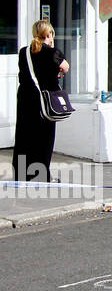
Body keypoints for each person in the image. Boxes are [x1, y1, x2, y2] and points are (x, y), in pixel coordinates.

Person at [12, 20, 69, 182]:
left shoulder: (24, 52)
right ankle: (42, 174)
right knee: (44, 136)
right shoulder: (52, 52)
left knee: (24, 134)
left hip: (25, 98)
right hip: (45, 99)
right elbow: (65, 67)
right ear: (49, 34)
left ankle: (22, 174)